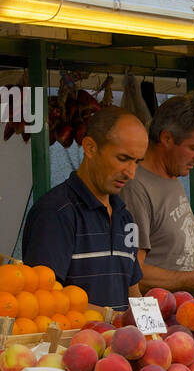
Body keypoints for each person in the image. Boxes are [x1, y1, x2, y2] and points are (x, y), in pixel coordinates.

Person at [22, 107, 147, 308]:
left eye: (137, 162)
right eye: (123, 159)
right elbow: (43, 300)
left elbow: (133, 291)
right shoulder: (55, 214)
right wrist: (110, 320)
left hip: (120, 339)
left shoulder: (125, 217)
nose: (131, 173)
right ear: (90, 148)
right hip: (73, 338)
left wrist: (152, 332)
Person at [121, 93, 194, 294]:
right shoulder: (135, 188)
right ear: (166, 138)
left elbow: (176, 263)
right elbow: (132, 271)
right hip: (157, 319)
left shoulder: (172, 176)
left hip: (186, 316)